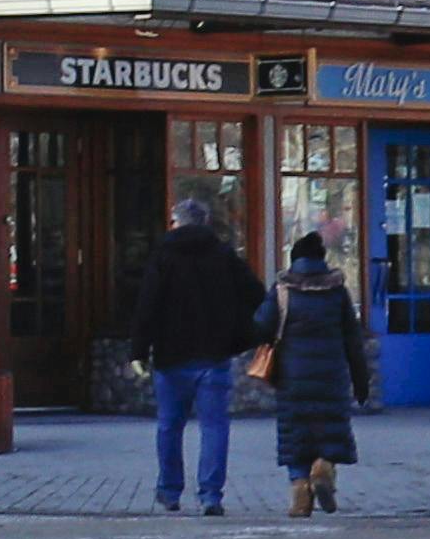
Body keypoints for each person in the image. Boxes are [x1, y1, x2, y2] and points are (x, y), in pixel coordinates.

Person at [131, 190, 265, 518]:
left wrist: (139, 350)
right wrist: (237, 331)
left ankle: (170, 491)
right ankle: (210, 496)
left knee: (169, 425)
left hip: (170, 355)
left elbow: (146, 306)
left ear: (176, 222)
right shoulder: (223, 255)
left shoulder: (162, 256)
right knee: (215, 427)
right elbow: (257, 294)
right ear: (205, 223)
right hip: (214, 355)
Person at [265, 230, 371, 519]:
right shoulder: (337, 291)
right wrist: (361, 382)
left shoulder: (282, 290)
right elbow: (353, 340)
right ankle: (324, 466)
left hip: (292, 378)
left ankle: (300, 492)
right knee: (328, 431)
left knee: (296, 435)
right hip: (332, 377)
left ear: (294, 259)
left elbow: (261, 326)